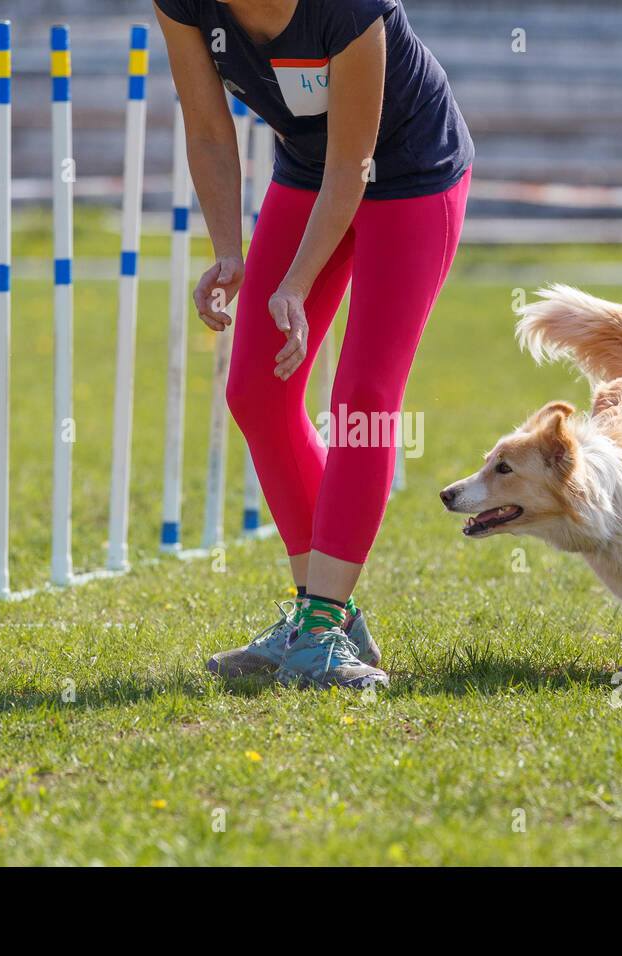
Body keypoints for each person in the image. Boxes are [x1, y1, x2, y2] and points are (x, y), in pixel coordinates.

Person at [153, 0, 472, 689]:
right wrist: (229, 254)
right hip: (306, 170)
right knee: (256, 394)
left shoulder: (349, 7)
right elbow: (208, 130)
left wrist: (295, 284)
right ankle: (321, 618)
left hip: (411, 171)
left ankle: (322, 623)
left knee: (361, 397)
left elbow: (354, 163)